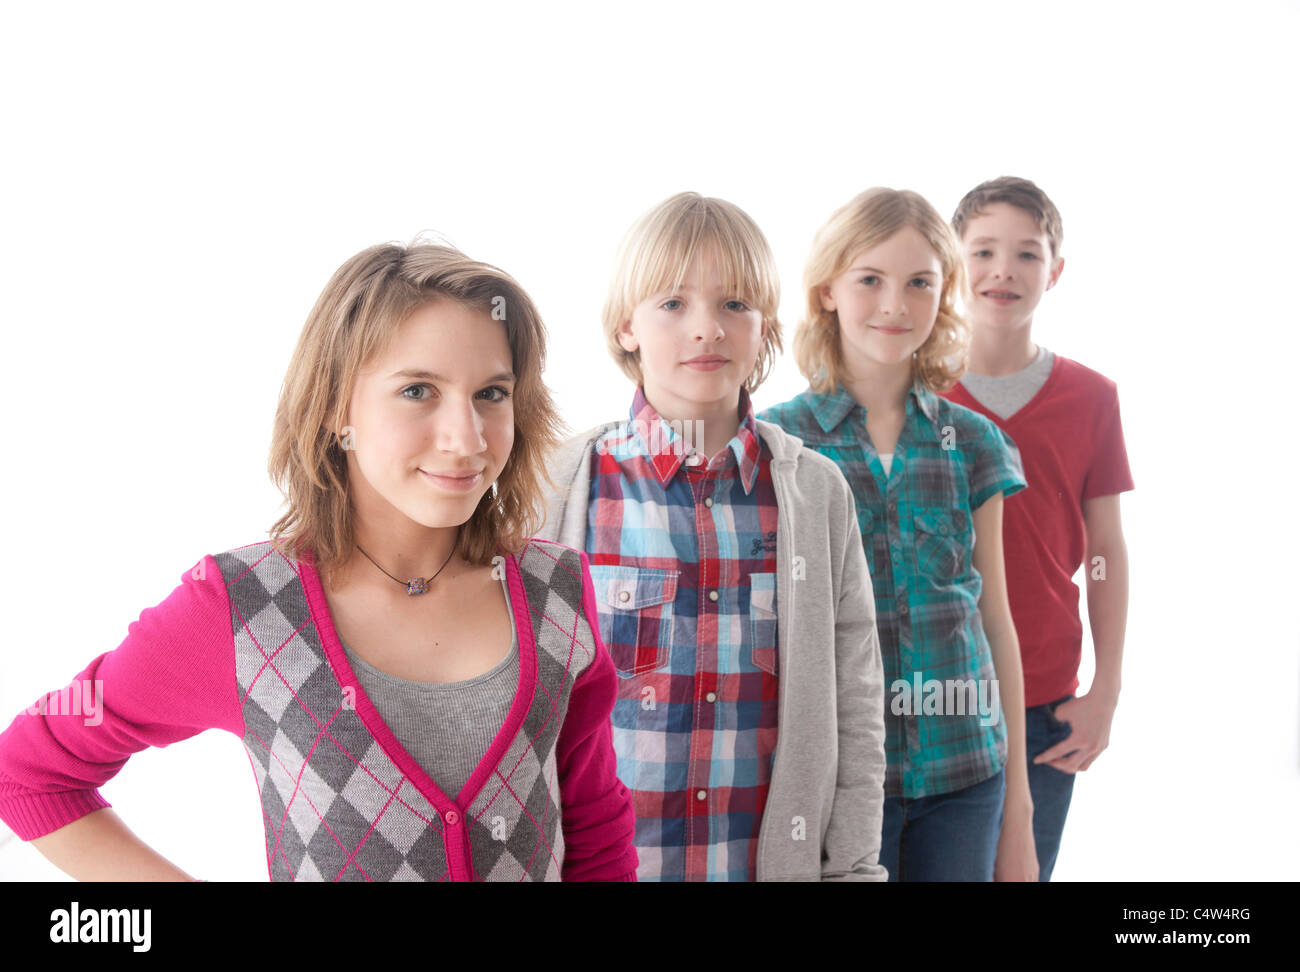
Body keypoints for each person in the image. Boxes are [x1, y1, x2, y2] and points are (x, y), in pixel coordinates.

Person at [0, 242, 637, 882]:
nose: (466, 439)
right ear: (336, 409)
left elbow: (595, 829)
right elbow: (25, 772)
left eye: (491, 393)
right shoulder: (241, 607)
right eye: (418, 390)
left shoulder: (556, 592)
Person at [539, 192, 887, 881]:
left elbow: (855, 704)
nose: (707, 329)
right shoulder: (555, 486)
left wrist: (853, 868)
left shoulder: (816, 494)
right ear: (626, 326)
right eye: (672, 304)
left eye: (734, 305)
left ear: (765, 329)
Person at [760, 187, 1037, 881]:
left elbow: (995, 620)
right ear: (827, 291)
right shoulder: (779, 444)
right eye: (870, 280)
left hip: (966, 775)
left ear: (946, 296)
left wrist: (1021, 811)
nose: (895, 305)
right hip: (842, 788)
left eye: (920, 283)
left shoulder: (974, 443)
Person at [943, 176, 1133, 880]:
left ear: (1055, 271)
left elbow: (1107, 551)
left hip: (1046, 703)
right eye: (983, 250)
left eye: (1027, 254)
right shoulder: (909, 394)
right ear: (952, 262)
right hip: (931, 695)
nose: (1003, 270)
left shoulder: (1091, 397)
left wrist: (1104, 691)